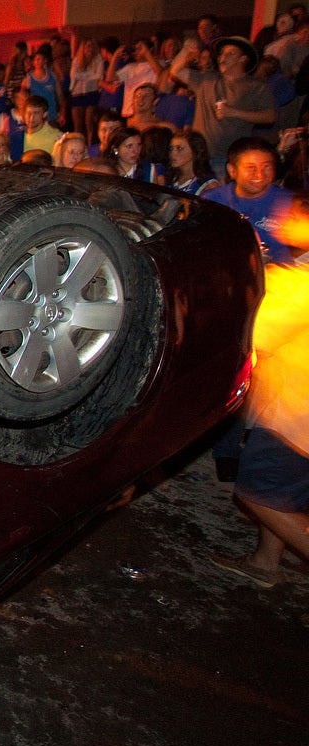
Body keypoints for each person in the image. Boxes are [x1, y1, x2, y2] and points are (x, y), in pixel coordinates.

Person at [211, 200, 309, 586]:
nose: (291, 217)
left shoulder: (298, 285)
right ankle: (266, 562)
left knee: (259, 496)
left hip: (296, 421)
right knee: (281, 492)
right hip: (293, 413)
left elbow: (254, 336)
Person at [171, 35, 277, 177]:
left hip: (226, 159)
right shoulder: (207, 79)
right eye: (221, 53)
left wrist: (234, 113)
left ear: (243, 58)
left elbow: (270, 116)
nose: (223, 57)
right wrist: (185, 50)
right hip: (197, 157)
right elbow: (176, 71)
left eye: (230, 53)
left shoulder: (256, 86)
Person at [202, 136, 295, 263]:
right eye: (250, 167)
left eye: (266, 167)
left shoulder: (290, 202)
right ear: (232, 170)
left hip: (279, 276)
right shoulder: (212, 201)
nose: (259, 175)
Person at [167, 130, 221, 195]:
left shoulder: (208, 185)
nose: (172, 153)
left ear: (195, 152)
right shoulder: (171, 177)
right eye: (171, 148)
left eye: (179, 148)